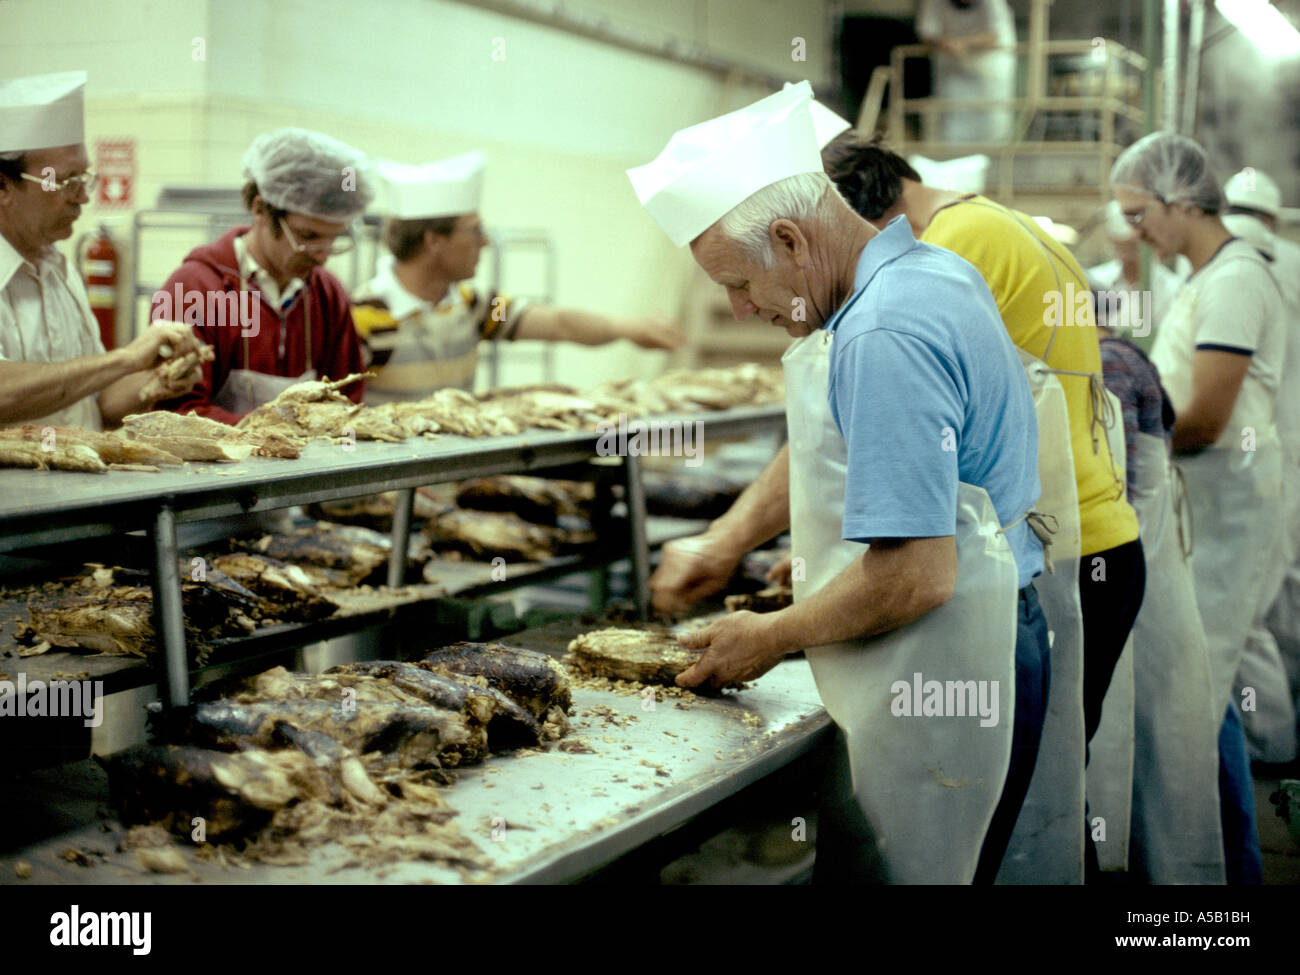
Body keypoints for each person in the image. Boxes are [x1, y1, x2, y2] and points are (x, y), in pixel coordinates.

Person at [631, 82, 1049, 884]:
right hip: (993, 631)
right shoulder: (932, 274)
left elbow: (916, 575)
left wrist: (770, 634)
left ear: (791, 239)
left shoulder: (881, 331)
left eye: (739, 284)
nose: (741, 308)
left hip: (945, 659)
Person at [823, 133, 1145, 881]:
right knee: (1054, 786)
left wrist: (727, 540)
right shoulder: (1000, 223)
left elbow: (909, 394)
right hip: (1091, 534)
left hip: (1067, 541)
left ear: (882, 216)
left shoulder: (949, 250)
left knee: (1002, 814)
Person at [1111, 132, 1286, 884]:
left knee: (1195, 700)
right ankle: (1222, 869)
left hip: (1231, 505)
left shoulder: (1237, 278)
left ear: (1180, 200)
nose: (1134, 231)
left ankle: (1214, 890)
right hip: (1205, 503)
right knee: (1200, 699)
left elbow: (1208, 418)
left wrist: (1129, 443)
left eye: (1139, 212)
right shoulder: (1206, 275)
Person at [351, 153, 685, 401]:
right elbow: (331, 420)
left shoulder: (474, 307)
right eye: (474, 231)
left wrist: (627, 328)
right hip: (383, 495)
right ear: (433, 241)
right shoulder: (367, 320)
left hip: (444, 488)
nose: (484, 241)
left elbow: (558, 324)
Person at [1095, 310, 1226, 883]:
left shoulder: (1107, 365)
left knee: (1155, 756)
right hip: (1148, 587)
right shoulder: (1116, 355)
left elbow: (1110, 481)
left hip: (1136, 592)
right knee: (1170, 752)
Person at [0, 71, 202, 430]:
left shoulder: (59, 269)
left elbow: (98, 400)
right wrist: (124, 358)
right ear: (3, 188)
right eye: (66, 181)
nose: (84, 196)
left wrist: (152, 382)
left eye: (84, 178)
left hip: (74, 483)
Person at [154, 127, 375, 423]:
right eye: (308, 236)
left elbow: (347, 401)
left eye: (333, 239)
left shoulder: (328, 293)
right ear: (260, 209)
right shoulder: (194, 289)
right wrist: (279, 429)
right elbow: (175, 414)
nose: (322, 256)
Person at [1221, 167, 1300, 764]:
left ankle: (1269, 747)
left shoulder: (1227, 271)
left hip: (1248, 459)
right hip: (1282, 454)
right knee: (1281, 598)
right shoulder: (1287, 263)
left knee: (1245, 614)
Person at [916, 0, 1017, 144]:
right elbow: (926, 32)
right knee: (951, 122)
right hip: (952, 69)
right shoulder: (934, 3)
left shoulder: (993, 3)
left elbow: (995, 33)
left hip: (990, 69)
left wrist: (963, 44)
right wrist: (945, 43)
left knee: (992, 124)